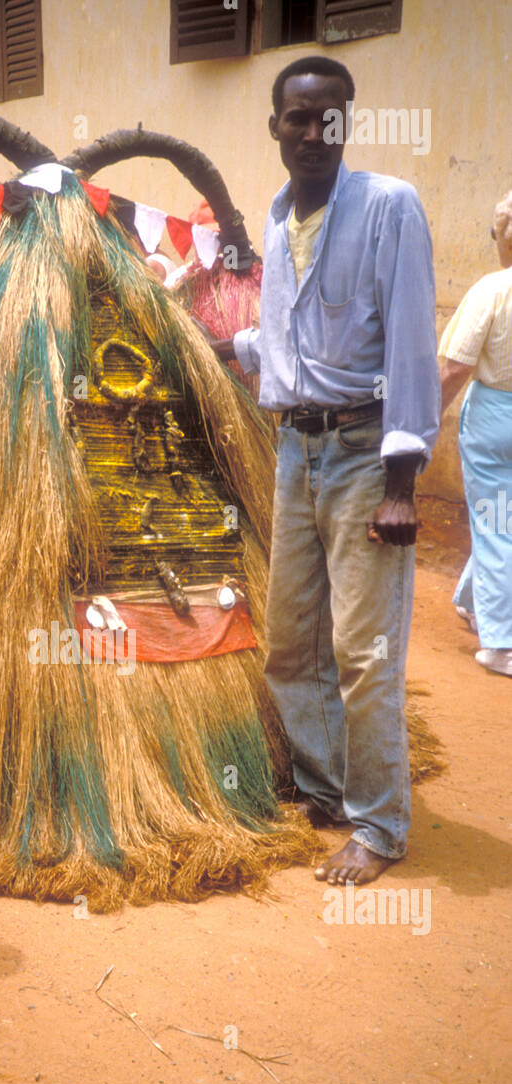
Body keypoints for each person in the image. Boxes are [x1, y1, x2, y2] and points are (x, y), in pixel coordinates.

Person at [211, 56, 440, 885]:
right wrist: (219, 348)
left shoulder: (388, 208)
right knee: (291, 644)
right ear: (275, 127)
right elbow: (288, 341)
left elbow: (411, 344)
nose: (313, 133)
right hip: (293, 452)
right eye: (297, 118)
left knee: (364, 649)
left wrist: (402, 484)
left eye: (329, 117)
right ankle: (325, 786)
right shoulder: (276, 221)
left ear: (349, 121)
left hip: (363, 454)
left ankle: (379, 827)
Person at [437, 191, 512, 678]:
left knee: (495, 522)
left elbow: (456, 367)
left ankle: (500, 644)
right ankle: (471, 599)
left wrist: (422, 424)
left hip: (492, 416)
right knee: (500, 519)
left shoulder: (493, 289)